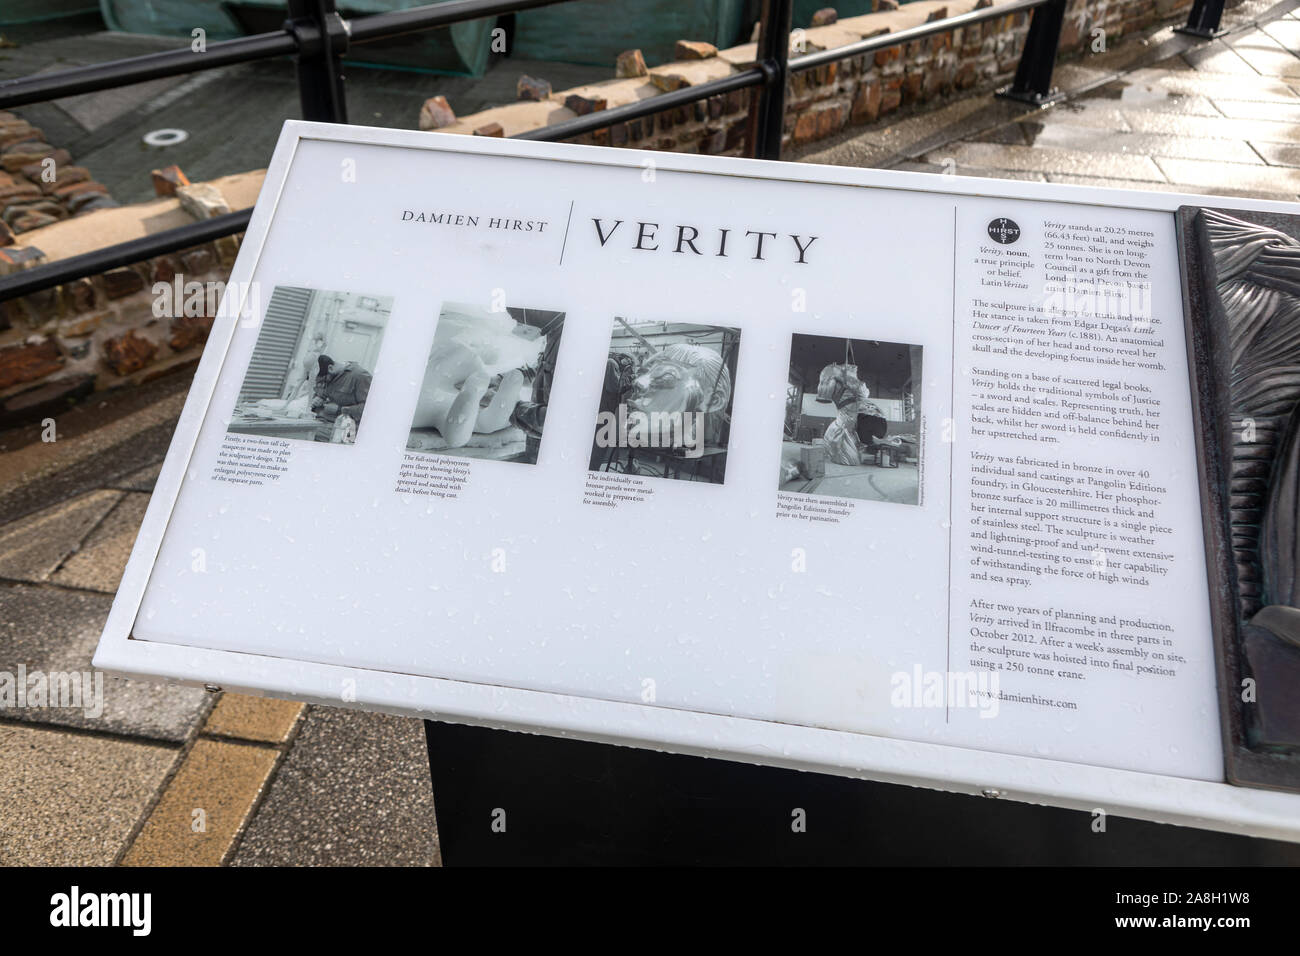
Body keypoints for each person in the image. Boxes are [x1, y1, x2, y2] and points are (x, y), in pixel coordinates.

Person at [311, 354, 372, 442]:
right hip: (323, 422)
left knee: (305, 435)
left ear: (331, 368)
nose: (325, 382)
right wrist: (318, 399)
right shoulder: (331, 374)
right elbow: (323, 393)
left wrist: (340, 410)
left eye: (325, 380)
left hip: (345, 429)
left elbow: (370, 409)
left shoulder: (359, 376)